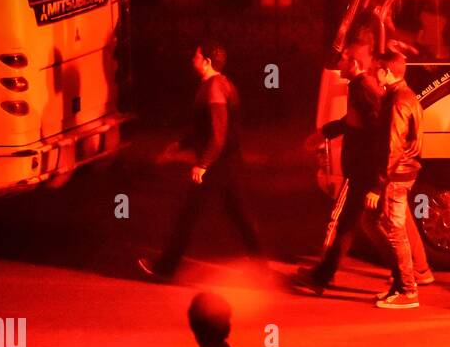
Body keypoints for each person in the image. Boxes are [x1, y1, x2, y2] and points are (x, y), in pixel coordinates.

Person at [139, 39, 264, 281]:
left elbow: (217, 134)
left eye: (196, 57)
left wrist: (203, 164)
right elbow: (204, 128)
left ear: (207, 62)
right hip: (228, 161)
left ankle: (165, 269)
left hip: (217, 164)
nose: (192, 60)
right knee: (239, 215)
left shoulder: (214, 88)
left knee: (188, 215)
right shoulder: (219, 83)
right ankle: (261, 268)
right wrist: (181, 144)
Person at [293, 38, 410, 296]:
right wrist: (325, 132)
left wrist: (375, 177)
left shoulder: (364, 88)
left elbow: (379, 129)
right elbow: (354, 121)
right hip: (362, 169)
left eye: (344, 59)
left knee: (346, 224)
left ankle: (322, 277)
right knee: (368, 224)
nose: (340, 63)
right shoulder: (359, 86)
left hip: (364, 170)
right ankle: (403, 274)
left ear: (354, 63)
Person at [368, 51, 431, 308]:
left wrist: (378, 184)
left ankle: (407, 289)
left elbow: (393, 146)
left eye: (377, 70)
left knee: (395, 231)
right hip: (403, 171)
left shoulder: (397, 101)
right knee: (392, 227)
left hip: (396, 174)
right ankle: (399, 285)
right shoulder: (404, 95)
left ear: (386, 71)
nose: (374, 74)